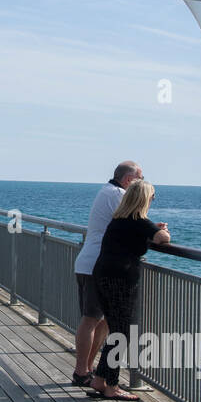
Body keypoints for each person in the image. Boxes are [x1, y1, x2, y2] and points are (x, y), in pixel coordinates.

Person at [88, 180, 170, 401]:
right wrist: (162, 230)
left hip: (102, 274)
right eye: (152, 197)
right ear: (145, 199)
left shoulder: (119, 220)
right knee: (121, 333)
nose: (153, 201)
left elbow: (140, 235)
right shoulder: (138, 221)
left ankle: (100, 379)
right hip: (120, 280)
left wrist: (153, 229)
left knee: (117, 330)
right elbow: (163, 239)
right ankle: (111, 386)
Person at [71, 161, 143, 388]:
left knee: (102, 321)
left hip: (91, 263)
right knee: (91, 319)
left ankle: (88, 368)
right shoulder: (118, 194)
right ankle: (81, 371)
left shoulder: (108, 191)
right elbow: (134, 224)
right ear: (129, 180)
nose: (143, 183)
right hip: (96, 264)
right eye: (141, 178)